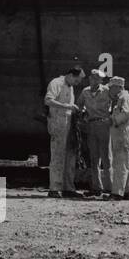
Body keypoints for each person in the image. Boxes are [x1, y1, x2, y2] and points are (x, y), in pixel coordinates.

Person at [44, 65, 84, 198]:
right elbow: (48, 100)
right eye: (77, 80)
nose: (77, 84)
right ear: (71, 76)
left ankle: (68, 187)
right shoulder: (56, 83)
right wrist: (67, 106)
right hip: (58, 124)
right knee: (58, 156)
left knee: (69, 156)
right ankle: (54, 188)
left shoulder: (70, 87)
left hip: (68, 124)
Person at [78, 68, 114, 197]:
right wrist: (83, 116)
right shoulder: (85, 91)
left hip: (104, 124)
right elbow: (79, 106)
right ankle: (96, 187)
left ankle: (110, 188)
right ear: (90, 78)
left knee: (106, 158)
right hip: (91, 125)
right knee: (94, 158)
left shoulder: (106, 91)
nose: (96, 80)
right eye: (93, 78)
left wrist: (112, 117)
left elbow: (116, 102)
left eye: (99, 78)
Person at [108, 75, 129, 201]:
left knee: (120, 164)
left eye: (111, 87)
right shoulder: (124, 98)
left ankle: (117, 193)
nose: (110, 90)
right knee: (127, 163)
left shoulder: (125, 98)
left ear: (118, 87)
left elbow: (126, 113)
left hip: (122, 134)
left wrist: (114, 120)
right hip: (125, 134)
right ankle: (128, 191)